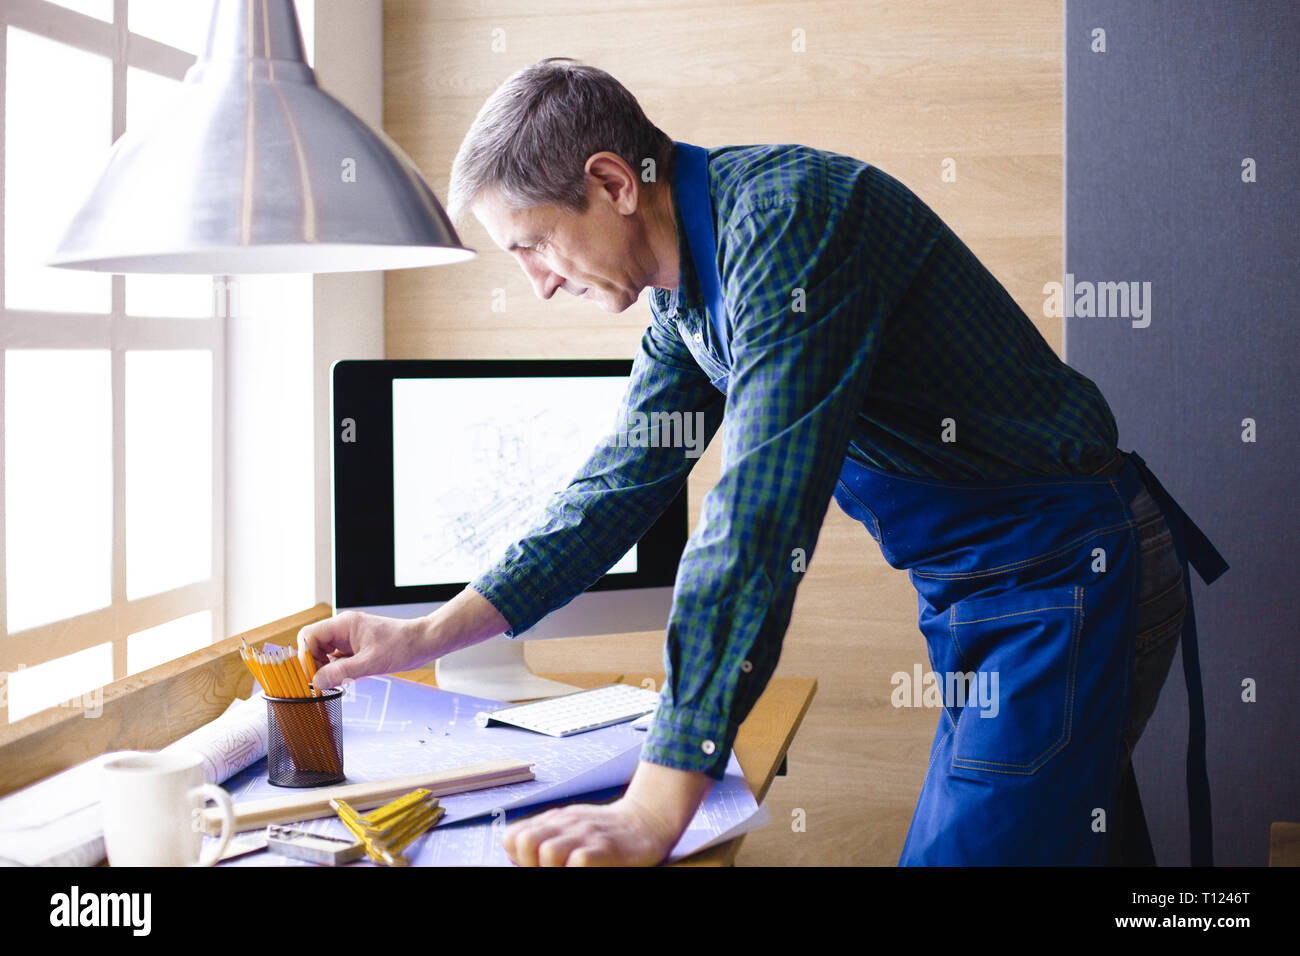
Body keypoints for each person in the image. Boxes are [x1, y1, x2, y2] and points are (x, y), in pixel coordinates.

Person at [299, 58, 1226, 867]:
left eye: (533, 242)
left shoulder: (790, 230)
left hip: (1067, 572)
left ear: (614, 182)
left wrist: (659, 802)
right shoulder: (682, 304)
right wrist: (427, 636)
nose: (538, 279)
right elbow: (615, 493)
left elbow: (755, 521)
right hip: (984, 593)